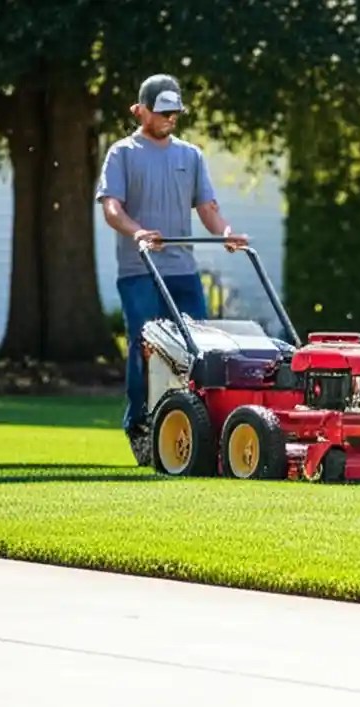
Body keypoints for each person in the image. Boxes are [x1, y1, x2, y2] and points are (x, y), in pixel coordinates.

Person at [95, 73, 248, 464]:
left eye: (174, 112)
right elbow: (112, 207)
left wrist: (227, 233)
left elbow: (208, 209)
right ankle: (140, 424)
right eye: (162, 112)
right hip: (139, 267)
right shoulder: (123, 153)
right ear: (139, 110)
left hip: (182, 268)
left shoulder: (190, 156)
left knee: (198, 350)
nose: (169, 119)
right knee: (145, 348)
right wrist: (138, 232)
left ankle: (194, 425)